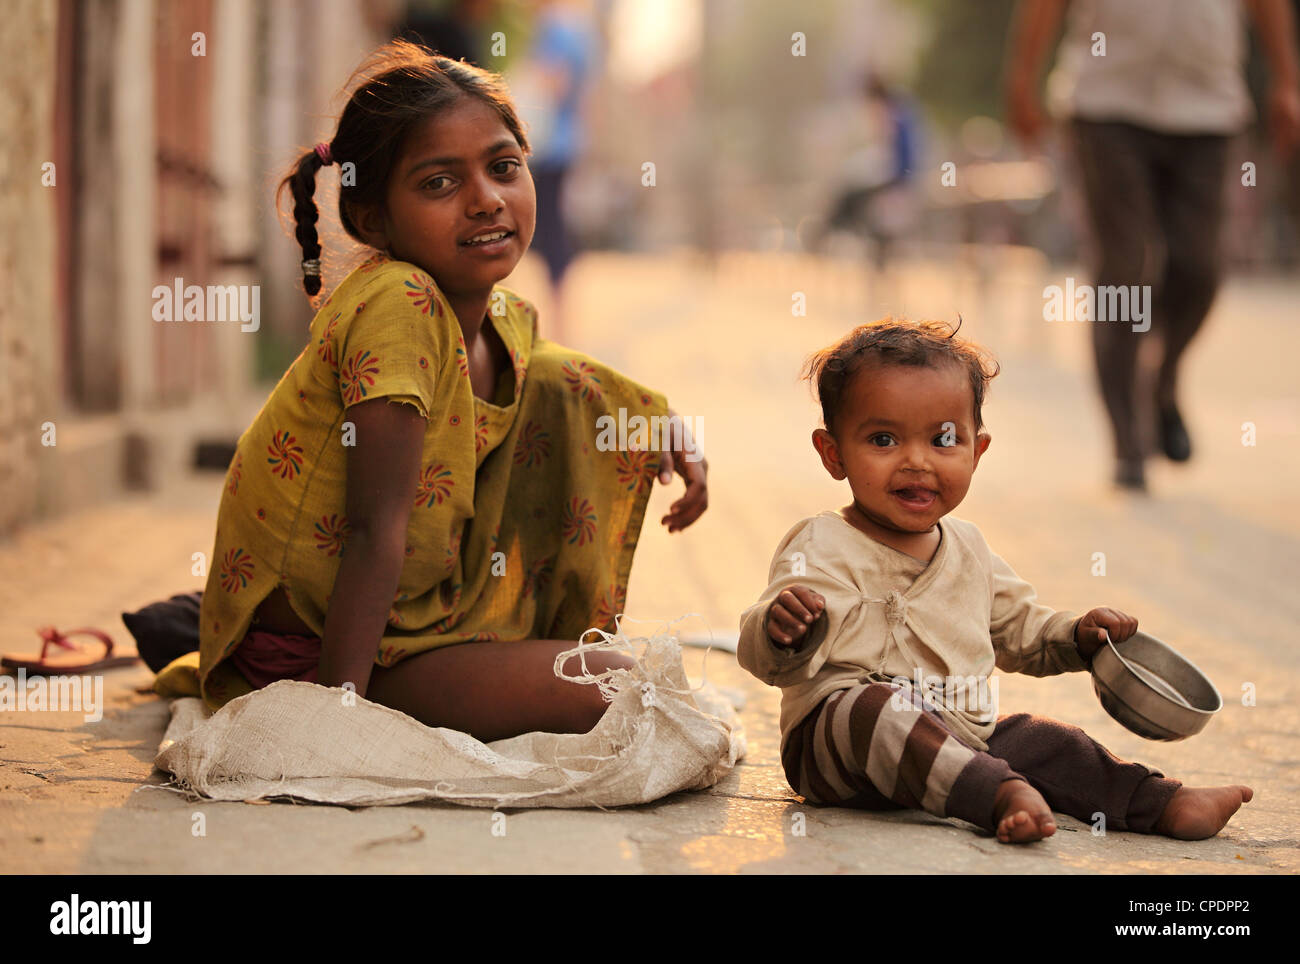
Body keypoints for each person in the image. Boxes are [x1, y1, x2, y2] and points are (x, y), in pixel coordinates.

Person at [182, 41, 707, 743]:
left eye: (503, 167)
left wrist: (655, 425)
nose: (486, 199)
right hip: (320, 648)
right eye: (438, 183)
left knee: (615, 681)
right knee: (612, 691)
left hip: (401, 622)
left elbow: (560, 377)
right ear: (372, 220)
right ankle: (341, 699)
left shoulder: (499, 317)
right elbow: (375, 531)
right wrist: (334, 730)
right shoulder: (400, 305)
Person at [736, 319, 1252, 843]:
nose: (917, 460)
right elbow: (762, 656)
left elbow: (1021, 628)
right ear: (833, 454)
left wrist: (1078, 635)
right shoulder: (820, 543)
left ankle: (1159, 803)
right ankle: (999, 794)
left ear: (976, 452)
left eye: (943, 439)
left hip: (959, 735)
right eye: (884, 439)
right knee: (874, 709)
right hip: (838, 752)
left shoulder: (970, 550)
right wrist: (782, 630)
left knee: (1047, 740)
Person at [1005, 0, 1300, 490]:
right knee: (1123, 269)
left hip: (1209, 107)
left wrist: (1286, 77)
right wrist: (1022, 76)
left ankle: (1162, 378)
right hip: (1105, 104)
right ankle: (1127, 439)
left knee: (1199, 267)